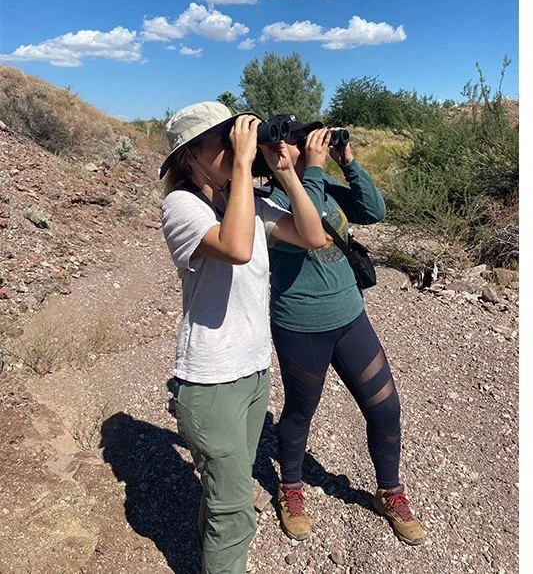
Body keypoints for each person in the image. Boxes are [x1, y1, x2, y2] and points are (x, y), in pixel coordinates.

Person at [159, 102, 327, 573]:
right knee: (234, 514)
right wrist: (244, 162)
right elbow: (235, 247)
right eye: (226, 142)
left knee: (223, 491)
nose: (238, 150)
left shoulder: (245, 201)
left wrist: (285, 172)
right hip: (210, 382)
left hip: (254, 373)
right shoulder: (181, 206)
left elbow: (313, 235)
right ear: (191, 156)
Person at [263, 120, 426, 546]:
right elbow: (313, 231)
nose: (307, 145)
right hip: (301, 325)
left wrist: (347, 161)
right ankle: (291, 488)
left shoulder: (324, 184)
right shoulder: (267, 201)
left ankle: (390, 492)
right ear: (277, 150)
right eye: (297, 140)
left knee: (385, 408)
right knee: (301, 412)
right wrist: (314, 170)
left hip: (350, 316)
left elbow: (374, 211)